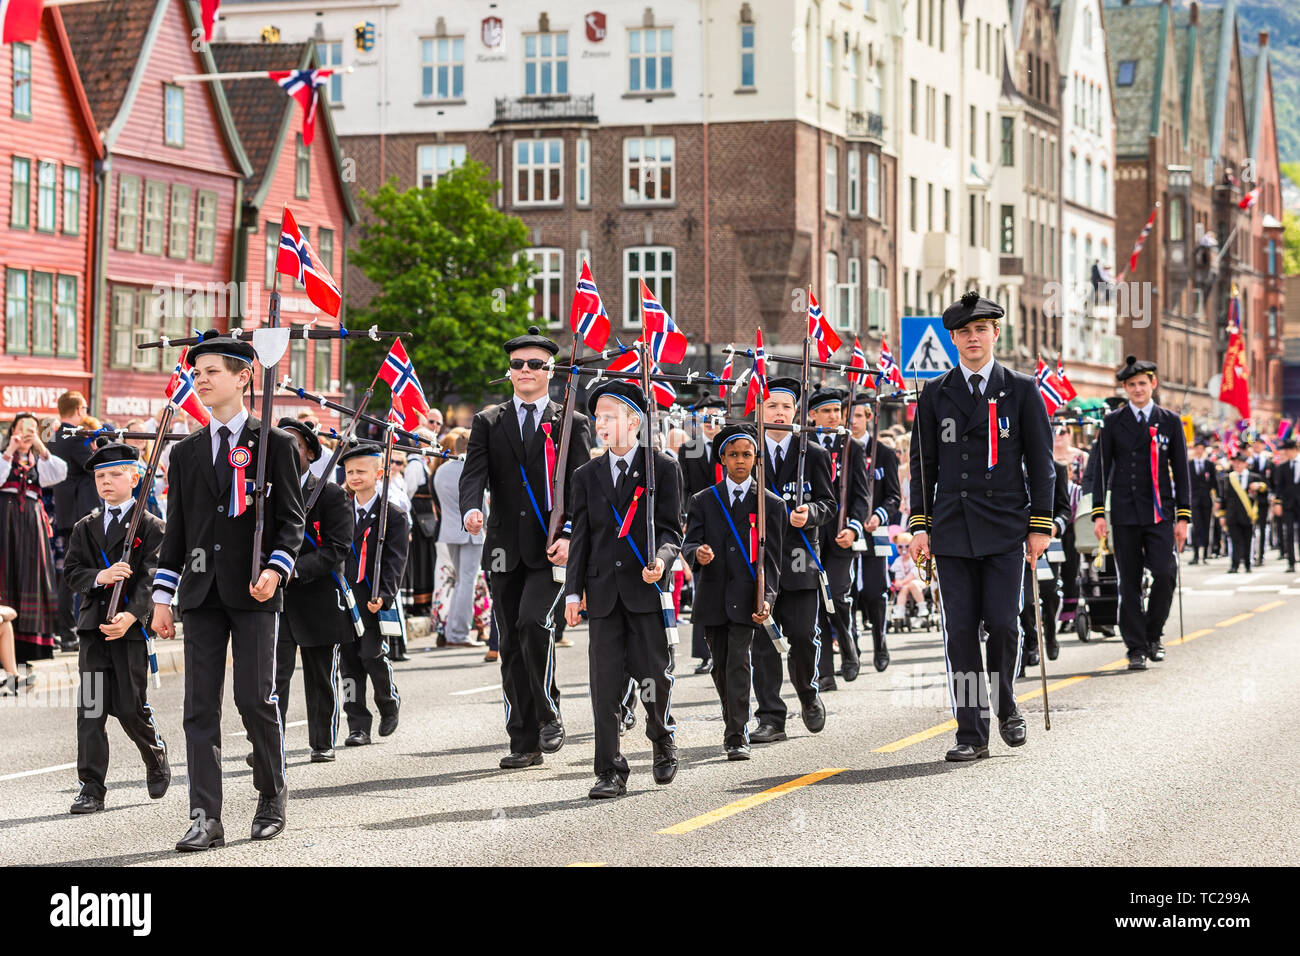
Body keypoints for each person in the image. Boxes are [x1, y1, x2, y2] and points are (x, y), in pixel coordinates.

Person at [151, 333, 304, 851]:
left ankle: (271, 792)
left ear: (244, 377)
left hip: (256, 591)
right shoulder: (187, 451)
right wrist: (162, 597)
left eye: (212, 370)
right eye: (198, 371)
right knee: (199, 707)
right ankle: (205, 817)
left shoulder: (275, 445)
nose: (202, 378)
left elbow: (291, 523)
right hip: (201, 593)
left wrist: (277, 570)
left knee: (255, 698)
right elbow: (176, 532)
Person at [908, 290, 1055, 762]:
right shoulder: (934, 393)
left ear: (996, 334)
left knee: (1004, 624)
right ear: (953, 339)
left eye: (982, 329)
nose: (974, 338)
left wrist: (1040, 524)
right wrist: (920, 526)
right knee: (961, 632)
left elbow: (1042, 463)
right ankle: (971, 731)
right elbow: (922, 464)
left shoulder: (1022, 389)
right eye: (965, 331)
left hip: (1006, 527)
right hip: (952, 528)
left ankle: (1008, 704)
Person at [459, 327, 594, 769]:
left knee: (533, 624)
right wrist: (470, 510)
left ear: (550, 371)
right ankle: (524, 740)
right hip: (503, 549)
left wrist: (572, 535)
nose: (525, 371)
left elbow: (581, 488)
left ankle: (548, 710)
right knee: (511, 641)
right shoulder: (488, 420)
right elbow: (473, 475)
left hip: (550, 548)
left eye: (535, 364)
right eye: (518, 364)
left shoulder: (570, 421)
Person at [564, 380, 682, 798]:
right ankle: (610, 771)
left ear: (634, 421)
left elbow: (671, 530)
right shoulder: (585, 475)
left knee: (654, 677)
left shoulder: (662, 467)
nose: (600, 423)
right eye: (597, 416)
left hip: (644, 590)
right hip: (602, 594)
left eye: (610, 416)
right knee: (605, 684)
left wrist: (662, 561)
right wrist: (573, 593)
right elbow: (581, 536)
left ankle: (662, 737)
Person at [62, 441, 170, 813]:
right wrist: (101, 576)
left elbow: (151, 576)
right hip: (95, 631)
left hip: (130, 632)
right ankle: (91, 786)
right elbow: (72, 573)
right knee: (90, 709)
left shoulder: (152, 526)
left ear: (134, 477)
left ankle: (155, 755)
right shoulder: (85, 527)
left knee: (129, 707)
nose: (106, 482)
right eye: (99, 476)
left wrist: (132, 614)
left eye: (114, 474)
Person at [681, 424, 784, 760]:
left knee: (739, 662)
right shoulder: (703, 500)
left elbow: (772, 561)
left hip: (748, 598)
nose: (740, 461)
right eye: (734, 455)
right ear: (723, 458)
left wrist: (767, 599)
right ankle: (733, 719)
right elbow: (689, 543)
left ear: (756, 459)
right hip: (712, 596)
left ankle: (736, 734)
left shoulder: (771, 505)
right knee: (720, 665)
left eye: (747, 455)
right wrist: (698, 553)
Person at [1090, 355, 1190, 670]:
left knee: (1165, 573)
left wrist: (1183, 518)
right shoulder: (1112, 422)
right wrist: (1098, 513)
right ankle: (1135, 647)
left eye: (1142, 384)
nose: (1137, 389)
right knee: (1128, 583)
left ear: (1153, 384)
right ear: (1125, 388)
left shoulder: (1169, 421)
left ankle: (1153, 634)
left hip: (1160, 512)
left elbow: (1181, 470)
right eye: (1131, 385)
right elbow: (1100, 469)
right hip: (1124, 512)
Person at [750, 377, 833, 743]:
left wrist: (810, 513)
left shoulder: (811, 452)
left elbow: (830, 504)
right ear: (759, 411)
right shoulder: (745, 452)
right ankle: (770, 716)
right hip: (759, 560)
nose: (779, 413)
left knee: (802, 635)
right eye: (772, 406)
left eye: (785, 407)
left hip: (800, 557)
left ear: (796, 412)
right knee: (764, 640)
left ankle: (807, 692)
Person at [273, 418, 355, 763]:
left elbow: (338, 547)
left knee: (320, 676)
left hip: (318, 596)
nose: (288, 454)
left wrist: (296, 569)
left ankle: (322, 741)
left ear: (309, 452)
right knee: (271, 679)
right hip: (274, 597)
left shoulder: (331, 494)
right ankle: (269, 742)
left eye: (294, 447)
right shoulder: (266, 493)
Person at [338, 443, 408, 746]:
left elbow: (396, 559)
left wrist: (385, 594)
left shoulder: (392, 515)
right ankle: (357, 724)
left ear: (379, 474)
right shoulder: (340, 511)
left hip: (373, 596)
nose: (354, 476)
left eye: (361, 471)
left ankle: (387, 700)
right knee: (349, 662)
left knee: (371, 653)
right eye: (350, 471)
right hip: (344, 596)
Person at [807, 387, 870, 686]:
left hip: (841, 533)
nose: (833, 416)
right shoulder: (802, 446)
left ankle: (848, 646)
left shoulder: (852, 447)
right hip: (810, 534)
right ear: (812, 415)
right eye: (827, 411)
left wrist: (855, 526)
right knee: (816, 600)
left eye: (837, 411)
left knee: (838, 596)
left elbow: (861, 495)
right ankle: (825, 671)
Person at [1, 412, 68, 664]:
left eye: (31, 428)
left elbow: (59, 473)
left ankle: (29, 647)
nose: (26, 433)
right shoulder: (3, 455)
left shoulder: (39, 460)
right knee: (5, 574)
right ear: (12, 430)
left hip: (31, 521)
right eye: (21, 427)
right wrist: (10, 449)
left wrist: (40, 446)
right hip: (3, 521)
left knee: (31, 575)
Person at [847, 392, 901, 671]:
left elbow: (893, 495)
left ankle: (880, 640)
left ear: (869, 418)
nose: (853, 421)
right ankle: (850, 644)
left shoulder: (885, 453)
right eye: (850, 415)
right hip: (847, 532)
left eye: (858, 415)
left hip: (874, 531)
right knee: (847, 593)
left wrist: (879, 516)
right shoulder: (839, 451)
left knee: (874, 590)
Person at [677, 396, 726, 675]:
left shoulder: (733, 446)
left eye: (716, 418)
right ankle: (705, 653)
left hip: (731, 523)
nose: (711, 424)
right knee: (702, 588)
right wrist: (685, 517)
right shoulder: (690, 448)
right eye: (706, 418)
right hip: (701, 524)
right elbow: (683, 487)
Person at [49, 391, 96, 653]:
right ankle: (69, 632)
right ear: (79, 409)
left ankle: (64, 631)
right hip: (81, 512)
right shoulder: (75, 437)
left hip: (66, 512)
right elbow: (95, 466)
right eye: (85, 408)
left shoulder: (54, 436)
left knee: (68, 572)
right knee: (75, 573)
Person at [1018, 460, 1072, 669]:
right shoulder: (1007, 466)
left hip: (1048, 544)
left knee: (1050, 593)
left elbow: (1064, 510)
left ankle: (1050, 634)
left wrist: (1053, 527)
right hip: (1018, 545)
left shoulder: (1057, 468)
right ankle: (1030, 642)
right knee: (1026, 600)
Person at [433, 428, 484, 647]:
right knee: (467, 582)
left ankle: (452, 629)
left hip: (449, 529)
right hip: (472, 531)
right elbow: (482, 504)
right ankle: (459, 632)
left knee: (459, 582)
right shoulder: (473, 469)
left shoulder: (442, 470)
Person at [1218, 452, 1266, 573]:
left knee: (1248, 540)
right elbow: (1223, 498)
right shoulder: (1227, 478)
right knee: (1234, 540)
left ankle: (1248, 564)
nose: (1236, 464)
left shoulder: (1254, 477)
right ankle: (1234, 564)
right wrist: (1222, 515)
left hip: (1248, 515)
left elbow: (1265, 492)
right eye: (1235, 462)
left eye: (1239, 462)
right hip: (1232, 515)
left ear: (1245, 464)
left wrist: (1259, 486)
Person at [1271, 438, 1299, 573]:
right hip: (1288, 504)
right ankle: (1291, 562)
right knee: (1289, 532)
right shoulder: (1282, 467)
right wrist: (1277, 503)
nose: (1286, 453)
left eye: (1287, 450)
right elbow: (1279, 488)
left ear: (1294, 450)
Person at [1188, 438, 1217, 565]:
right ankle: (1195, 554)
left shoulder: (1209, 465)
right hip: (1194, 500)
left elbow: (1214, 483)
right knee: (1196, 526)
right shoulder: (1189, 465)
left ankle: (1205, 554)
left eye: (1201, 449)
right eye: (1197, 448)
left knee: (1206, 527)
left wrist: (1218, 500)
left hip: (1206, 500)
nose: (1199, 451)